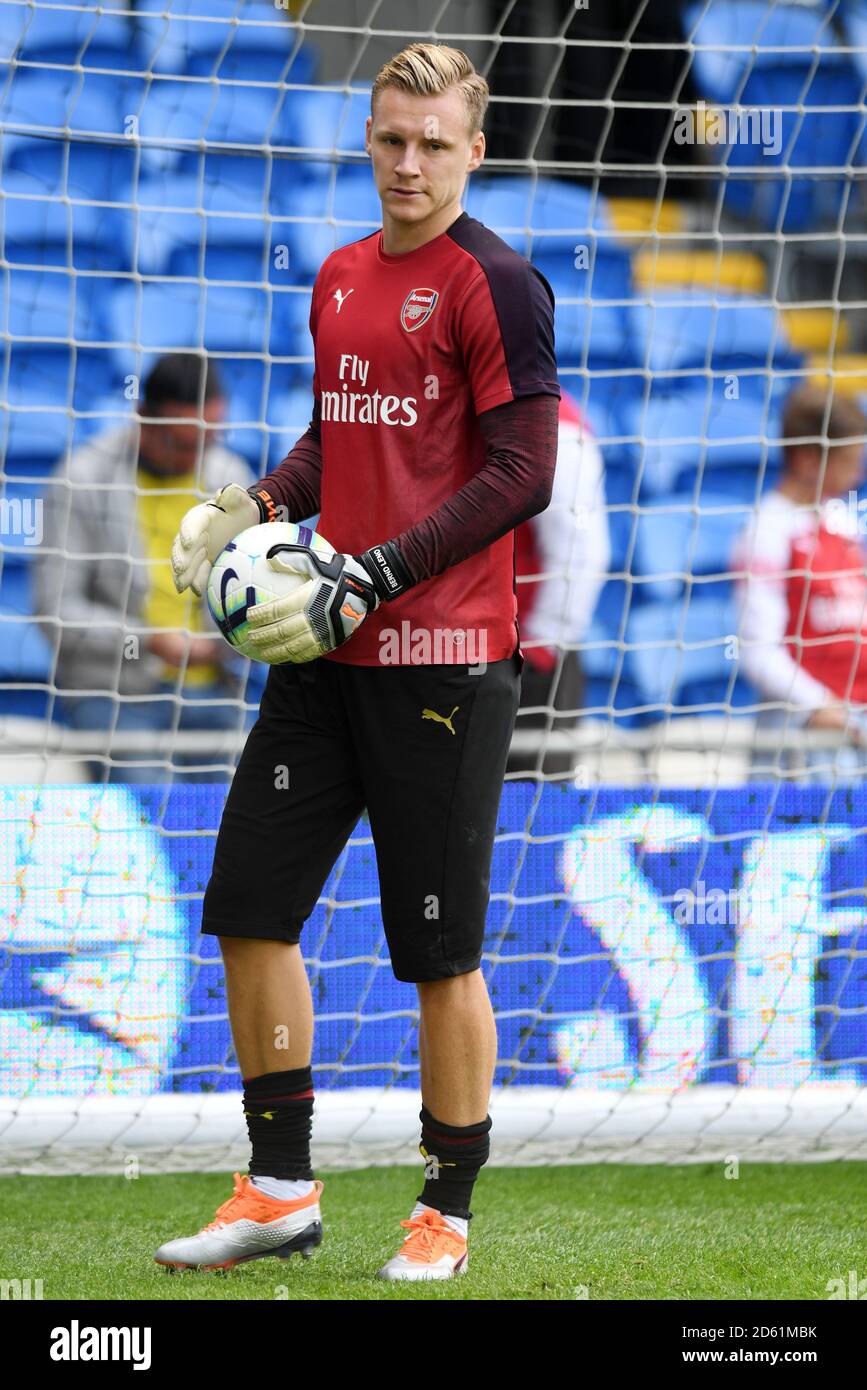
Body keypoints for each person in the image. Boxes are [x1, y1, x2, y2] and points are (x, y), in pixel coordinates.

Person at [154, 42, 560, 1280]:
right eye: (391, 137)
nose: (409, 162)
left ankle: (445, 1209)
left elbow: (523, 470)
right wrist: (258, 502)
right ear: (367, 136)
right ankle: (279, 1186)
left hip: (439, 664)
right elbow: (341, 439)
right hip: (321, 655)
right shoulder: (336, 277)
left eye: (435, 142)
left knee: (439, 953)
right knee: (246, 908)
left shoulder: (500, 283)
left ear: (474, 149)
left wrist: (377, 572)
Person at [36, 354, 253, 783]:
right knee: (153, 806)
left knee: (248, 812)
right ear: (141, 418)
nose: (195, 455)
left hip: (213, 691)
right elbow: (57, 611)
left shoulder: (232, 478)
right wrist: (147, 641)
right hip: (117, 695)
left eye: (208, 441)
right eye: (181, 442)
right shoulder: (81, 479)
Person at [732, 384, 867, 778]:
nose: (857, 474)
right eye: (849, 461)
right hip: (807, 741)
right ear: (809, 460)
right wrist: (820, 706)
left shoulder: (841, 524)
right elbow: (758, 652)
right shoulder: (767, 531)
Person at [508, 388, 609, 778]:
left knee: (533, 814)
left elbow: (581, 550)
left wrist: (541, 647)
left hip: (529, 660)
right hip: (483, 650)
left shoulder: (553, 424)